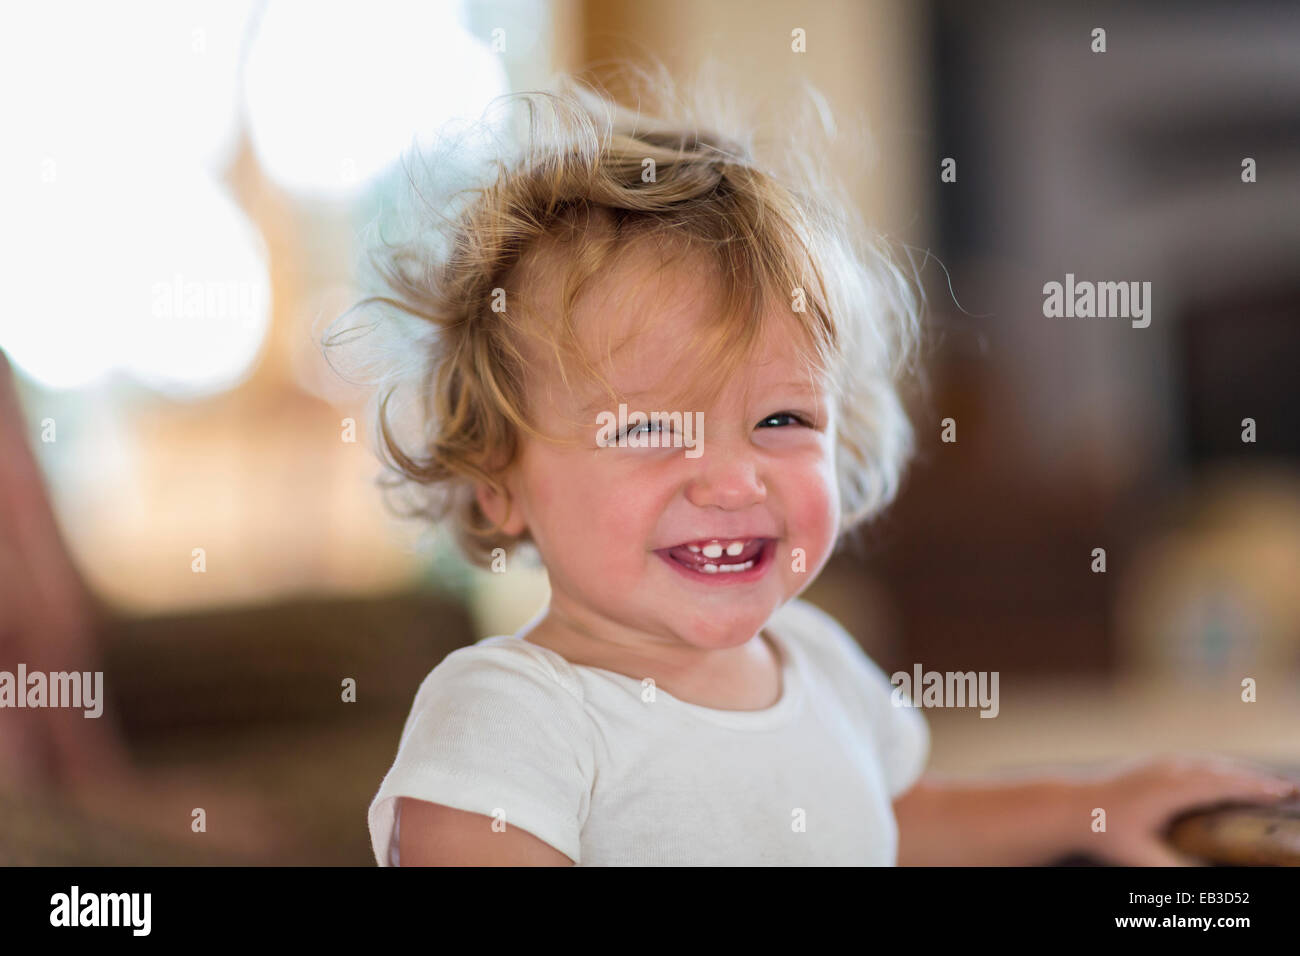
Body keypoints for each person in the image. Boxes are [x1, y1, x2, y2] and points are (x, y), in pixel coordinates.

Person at [355, 68, 1296, 866]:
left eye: (779, 418)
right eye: (645, 430)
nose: (731, 482)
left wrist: (1099, 801)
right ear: (497, 481)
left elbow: (892, 824)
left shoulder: (819, 665)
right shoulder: (511, 717)